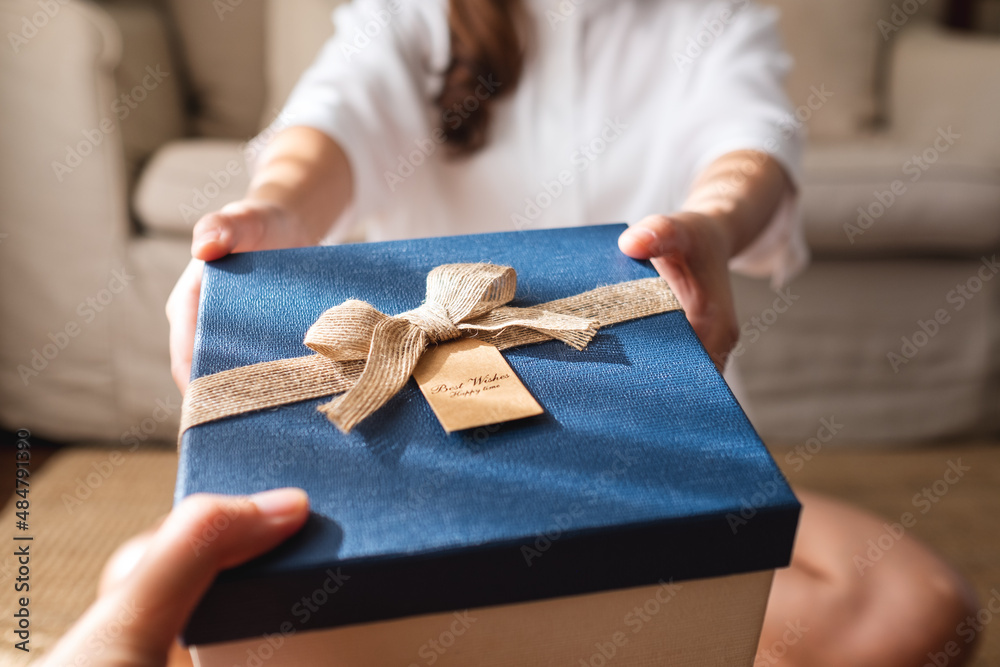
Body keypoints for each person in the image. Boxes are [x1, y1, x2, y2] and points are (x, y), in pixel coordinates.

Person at [47, 1, 980, 665]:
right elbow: (327, 124)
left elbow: (754, 140)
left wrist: (711, 225)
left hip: (654, 441)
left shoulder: (713, 15)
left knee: (921, 612)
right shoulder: (416, 16)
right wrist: (268, 214)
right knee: (216, 606)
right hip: (415, 453)